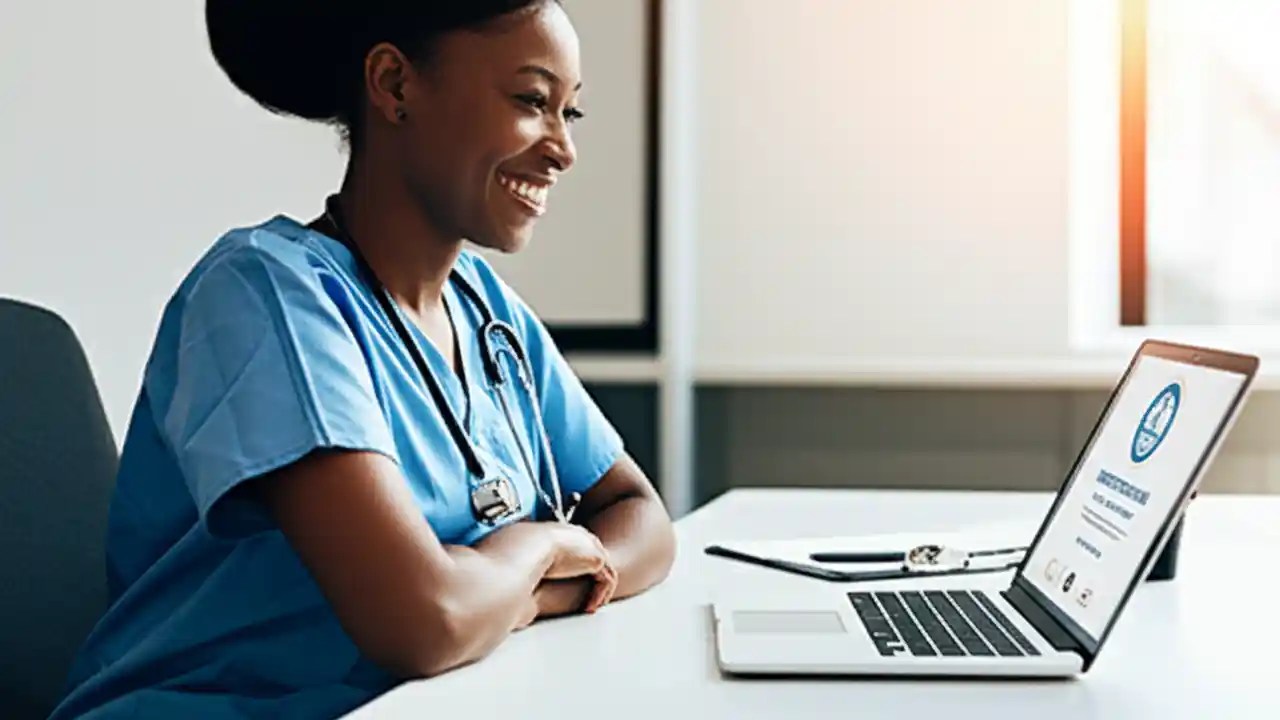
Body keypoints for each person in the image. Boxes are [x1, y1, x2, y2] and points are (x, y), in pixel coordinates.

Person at [50, 1, 676, 717]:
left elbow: (641, 517)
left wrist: (515, 593)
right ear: (395, 84)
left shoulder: (484, 308)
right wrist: (536, 548)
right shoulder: (263, 295)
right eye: (533, 101)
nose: (562, 148)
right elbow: (424, 622)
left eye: (573, 113)